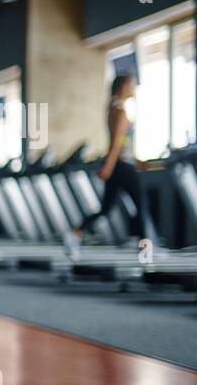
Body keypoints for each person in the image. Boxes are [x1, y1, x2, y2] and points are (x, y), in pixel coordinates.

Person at [64, 73, 157, 253]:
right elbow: (115, 144)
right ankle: (146, 248)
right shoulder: (120, 112)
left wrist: (136, 161)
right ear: (123, 87)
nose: (133, 88)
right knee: (141, 204)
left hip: (121, 164)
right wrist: (108, 166)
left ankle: (75, 233)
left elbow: (121, 144)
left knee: (106, 208)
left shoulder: (113, 109)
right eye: (131, 85)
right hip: (121, 166)